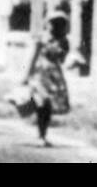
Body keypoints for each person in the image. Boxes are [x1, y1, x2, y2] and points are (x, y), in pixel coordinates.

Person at [24, 11, 71, 147]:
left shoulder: (64, 41)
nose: (54, 26)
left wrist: (60, 50)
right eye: (53, 23)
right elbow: (33, 56)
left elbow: (62, 59)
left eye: (58, 24)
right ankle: (41, 133)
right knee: (41, 103)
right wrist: (27, 75)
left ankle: (43, 133)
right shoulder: (42, 38)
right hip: (40, 74)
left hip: (54, 75)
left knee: (48, 106)